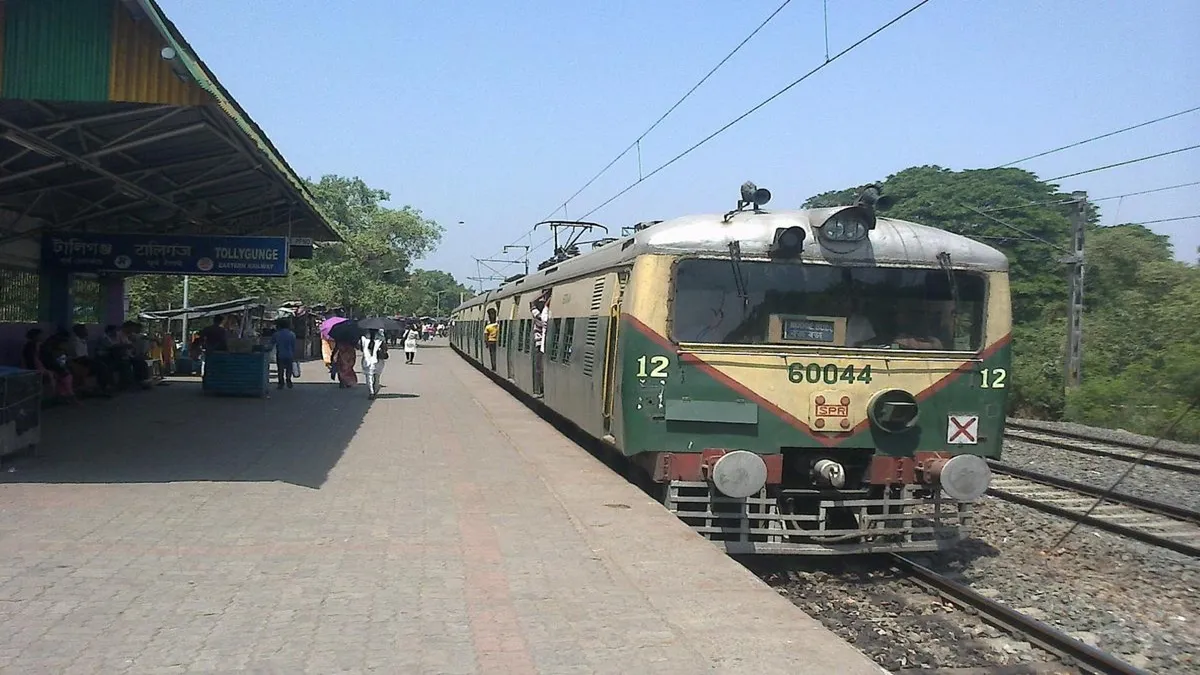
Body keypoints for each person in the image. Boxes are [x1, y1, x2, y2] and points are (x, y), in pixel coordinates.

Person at [68, 323, 112, 395]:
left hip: (85, 360)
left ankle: (103, 386)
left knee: (103, 364)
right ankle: (102, 388)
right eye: (85, 330)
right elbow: (79, 357)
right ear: (80, 331)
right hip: (79, 362)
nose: (87, 331)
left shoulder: (83, 341)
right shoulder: (75, 342)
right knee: (101, 366)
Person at [530, 289, 551, 397]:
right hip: (542, 344)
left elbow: (532, 303)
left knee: (539, 368)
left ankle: (540, 390)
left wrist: (544, 294)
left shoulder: (540, 316)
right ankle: (540, 390)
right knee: (540, 368)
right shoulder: (544, 316)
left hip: (539, 344)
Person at [360, 328, 388, 399]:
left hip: (367, 359)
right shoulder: (381, 338)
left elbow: (361, 348)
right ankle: (375, 390)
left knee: (369, 376)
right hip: (378, 360)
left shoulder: (364, 337)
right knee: (376, 376)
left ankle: (371, 392)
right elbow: (385, 348)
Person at [271, 318, 297, 390]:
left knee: (280, 369)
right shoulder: (292, 334)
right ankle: (288, 379)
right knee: (289, 369)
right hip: (289, 354)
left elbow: (271, 344)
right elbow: (293, 346)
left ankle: (281, 383)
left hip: (280, 354)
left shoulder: (276, 334)